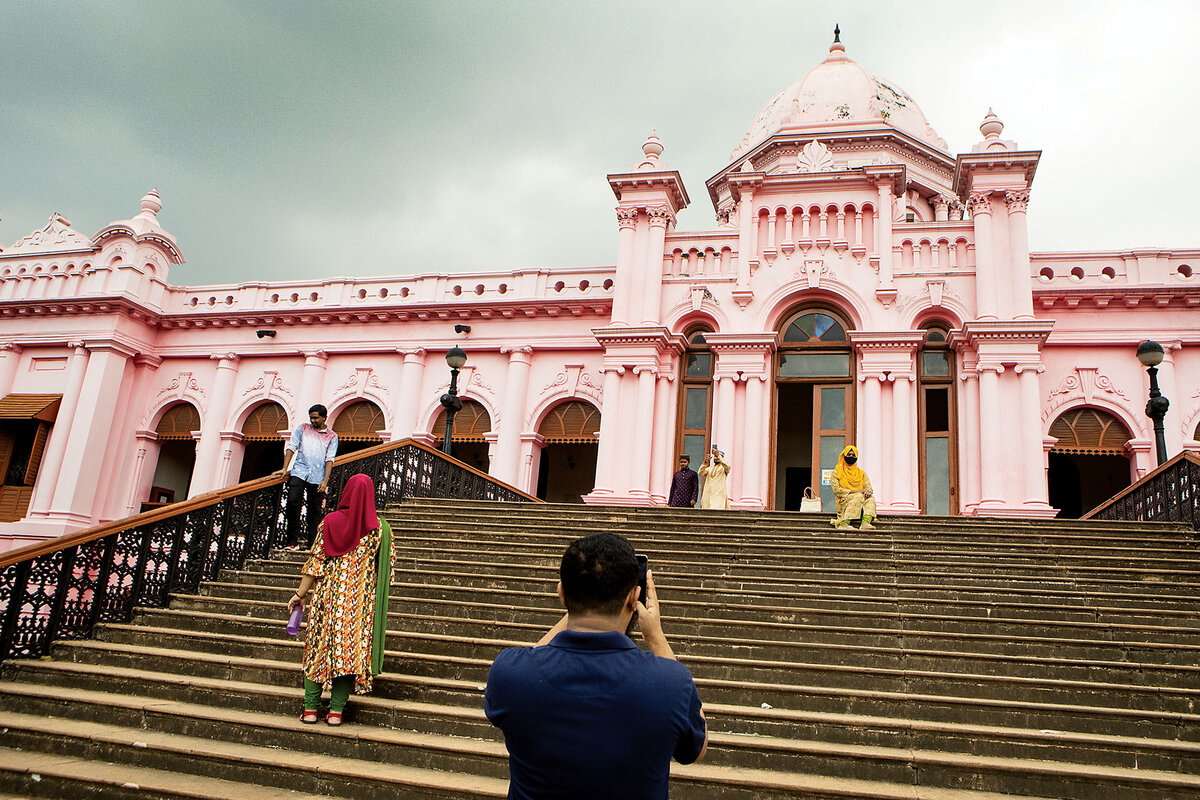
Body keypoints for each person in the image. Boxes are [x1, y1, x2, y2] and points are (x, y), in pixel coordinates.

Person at [485, 532, 707, 799]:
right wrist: (656, 637)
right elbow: (697, 748)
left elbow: (533, 654)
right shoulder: (671, 682)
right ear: (633, 598)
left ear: (561, 594)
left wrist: (577, 602)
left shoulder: (510, 673)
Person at [287, 473, 394, 725]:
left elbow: (314, 564)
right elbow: (386, 572)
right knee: (348, 655)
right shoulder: (379, 531)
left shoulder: (328, 523)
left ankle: (311, 710)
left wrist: (299, 595)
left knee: (317, 651)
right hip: (359, 605)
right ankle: (335, 712)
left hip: (327, 601)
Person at [281, 404, 339, 549]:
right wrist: (284, 468)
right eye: (311, 418)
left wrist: (325, 481)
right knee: (293, 502)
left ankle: (311, 543)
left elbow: (329, 459)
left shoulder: (332, 436)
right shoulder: (303, 429)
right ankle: (291, 541)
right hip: (299, 471)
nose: (312, 421)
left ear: (324, 417)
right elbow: (291, 447)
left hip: (317, 476)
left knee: (314, 510)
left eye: (315, 418)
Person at [830, 445, 877, 530]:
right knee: (858, 496)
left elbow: (868, 487)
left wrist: (868, 492)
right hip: (843, 499)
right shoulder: (837, 472)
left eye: (853, 455)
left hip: (861, 498)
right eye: (849, 455)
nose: (851, 457)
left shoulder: (861, 473)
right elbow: (836, 490)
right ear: (844, 456)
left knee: (870, 499)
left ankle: (865, 523)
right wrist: (856, 491)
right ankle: (844, 523)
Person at [697, 444, 730, 510]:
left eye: (718, 456)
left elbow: (728, 466)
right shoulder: (710, 468)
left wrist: (718, 455)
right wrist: (705, 463)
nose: (716, 458)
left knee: (717, 510)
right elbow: (701, 473)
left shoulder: (723, 468)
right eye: (715, 456)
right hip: (708, 493)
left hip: (718, 494)